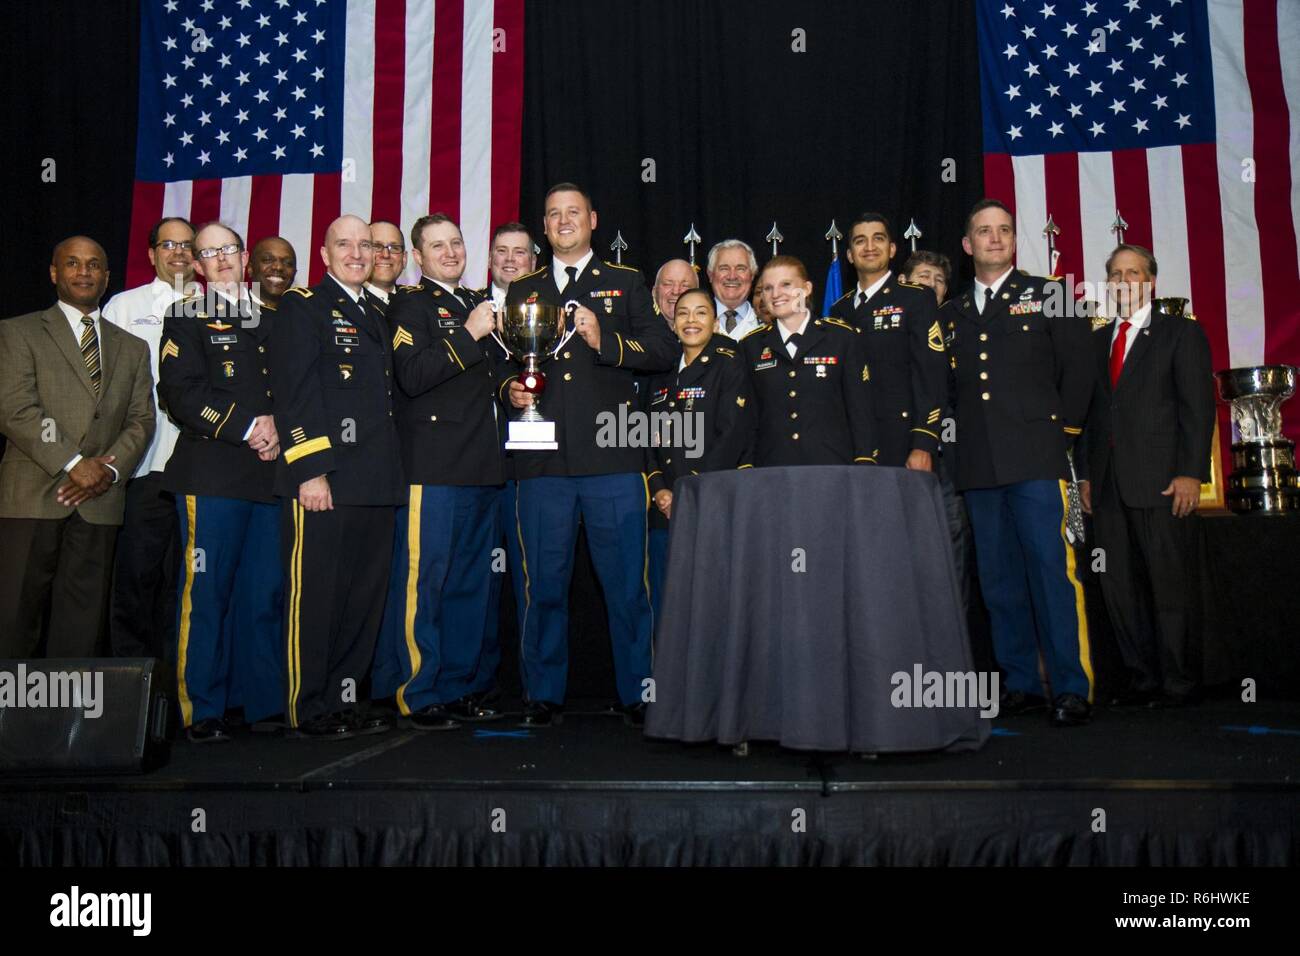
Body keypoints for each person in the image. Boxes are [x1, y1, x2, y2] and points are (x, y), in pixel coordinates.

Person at [503, 182, 678, 727]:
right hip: (543, 463)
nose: (562, 221)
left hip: (613, 456)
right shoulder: (522, 288)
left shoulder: (626, 282)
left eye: (573, 212)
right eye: (553, 214)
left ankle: (639, 692)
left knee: (628, 587)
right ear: (545, 225)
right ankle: (542, 694)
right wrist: (510, 392)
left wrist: (606, 340)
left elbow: (664, 352)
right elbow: (507, 367)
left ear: (593, 219)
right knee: (544, 587)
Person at [943, 199, 1096, 727]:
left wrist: (1067, 434)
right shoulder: (954, 312)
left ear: (1014, 239)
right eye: (983, 231)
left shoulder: (1050, 295)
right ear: (967, 245)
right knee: (1000, 581)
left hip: (1037, 458)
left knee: (1053, 573)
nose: (994, 238)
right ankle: (1022, 683)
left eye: (1004, 230)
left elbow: (1080, 369)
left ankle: (1072, 687)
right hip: (980, 465)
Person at [269, 214, 405, 739]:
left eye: (365, 245)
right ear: (323, 254)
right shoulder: (305, 308)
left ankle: (345, 697)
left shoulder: (375, 310)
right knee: (317, 597)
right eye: (344, 244)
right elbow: (296, 392)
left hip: (375, 479)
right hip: (325, 479)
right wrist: (310, 470)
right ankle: (309, 705)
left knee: (363, 600)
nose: (356, 253)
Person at [377, 213, 506, 730]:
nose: (451, 252)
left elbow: (491, 379)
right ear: (417, 257)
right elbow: (412, 375)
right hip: (432, 466)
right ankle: (416, 687)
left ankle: (459, 684)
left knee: (470, 583)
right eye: (437, 246)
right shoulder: (410, 303)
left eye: (456, 242)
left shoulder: (477, 302)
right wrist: (471, 334)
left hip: (481, 462)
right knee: (423, 583)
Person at [158, 222, 284, 743]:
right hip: (212, 473)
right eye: (211, 253)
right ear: (199, 266)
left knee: (264, 593)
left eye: (231, 249)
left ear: (245, 260)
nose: (224, 259)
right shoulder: (185, 316)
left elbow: (297, 385)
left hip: (272, 474)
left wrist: (282, 428)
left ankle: (259, 703)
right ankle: (202, 707)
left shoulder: (278, 319)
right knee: (206, 592)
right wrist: (251, 426)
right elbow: (180, 393)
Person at [0, 237, 155, 658]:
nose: (83, 272)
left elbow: (142, 420)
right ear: (54, 273)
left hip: (101, 499)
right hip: (33, 496)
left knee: (82, 626)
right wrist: (73, 463)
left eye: (93, 265)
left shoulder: (133, 347)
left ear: (107, 277)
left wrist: (106, 470)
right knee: (14, 618)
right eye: (73, 263)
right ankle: (9, 719)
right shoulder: (18, 332)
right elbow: (17, 410)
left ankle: (63, 722)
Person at [1080, 244, 1214, 708]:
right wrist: (1085, 477)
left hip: (1163, 482)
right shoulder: (1097, 342)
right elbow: (1092, 418)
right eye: (1115, 274)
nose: (1124, 281)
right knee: (1117, 585)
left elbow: (1198, 410)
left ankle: (1179, 683)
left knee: (1168, 584)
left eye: (1133, 273)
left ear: (1152, 282)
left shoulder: (1180, 333)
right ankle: (1141, 680)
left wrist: (1191, 474)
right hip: (1108, 485)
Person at [101, 216, 197, 659]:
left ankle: (177, 691)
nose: (179, 252)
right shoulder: (123, 306)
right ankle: (130, 688)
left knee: (188, 583)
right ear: (151, 253)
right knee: (137, 578)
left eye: (187, 244)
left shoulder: (222, 304)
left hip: (202, 467)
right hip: (146, 466)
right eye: (168, 244)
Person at [645, 289, 753, 615]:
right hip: (665, 508)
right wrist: (659, 487)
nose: (691, 321)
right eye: (683, 314)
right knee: (667, 602)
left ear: (715, 321)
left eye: (701, 313)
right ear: (673, 323)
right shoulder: (661, 372)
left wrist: (689, 490)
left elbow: (732, 434)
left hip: (712, 500)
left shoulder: (729, 363)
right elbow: (645, 435)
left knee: (713, 600)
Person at [829, 213, 948, 470]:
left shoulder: (916, 299)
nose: (870, 247)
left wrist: (924, 442)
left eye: (878, 239)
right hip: (852, 447)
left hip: (903, 443)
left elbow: (932, 374)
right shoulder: (840, 310)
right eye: (860, 241)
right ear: (850, 254)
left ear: (892, 249)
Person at [740, 255, 876, 467]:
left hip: (832, 466)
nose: (776, 294)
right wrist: (745, 466)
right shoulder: (751, 346)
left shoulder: (841, 338)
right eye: (767, 288)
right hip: (772, 470)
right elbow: (748, 417)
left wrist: (865, 460)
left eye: (786, 284)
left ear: (807, 288)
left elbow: (860, 408)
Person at [707, 240, 761, 339]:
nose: (732, 276)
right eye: (724, 268)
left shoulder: (766, 323)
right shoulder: (696, 322)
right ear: (710, 275)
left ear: (752, 275)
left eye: (740, 268)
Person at [487, 221, 536, 310]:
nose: (509, 258)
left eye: (519, 252)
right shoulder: (472, 304)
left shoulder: (548, 303)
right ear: (490, 259)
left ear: (533, 262)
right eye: (502, 251)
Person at [365, 220, 407, 311]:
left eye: (394, 248)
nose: (386, 255)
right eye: (376, 246)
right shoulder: (349, 301)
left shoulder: (418, 302)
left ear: (404, 259)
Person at [248, 237, 297, 309]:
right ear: (250, 269)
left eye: (288, 263)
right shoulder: (232, 313)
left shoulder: (303, 315)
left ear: (294, 273)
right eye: (268, 260)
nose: (278, 267)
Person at [652, 258, 698, 329]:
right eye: (668, 284)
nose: (676, 291)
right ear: (654, 292)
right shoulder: (638, 332)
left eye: (685, 285)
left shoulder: (710, 334)